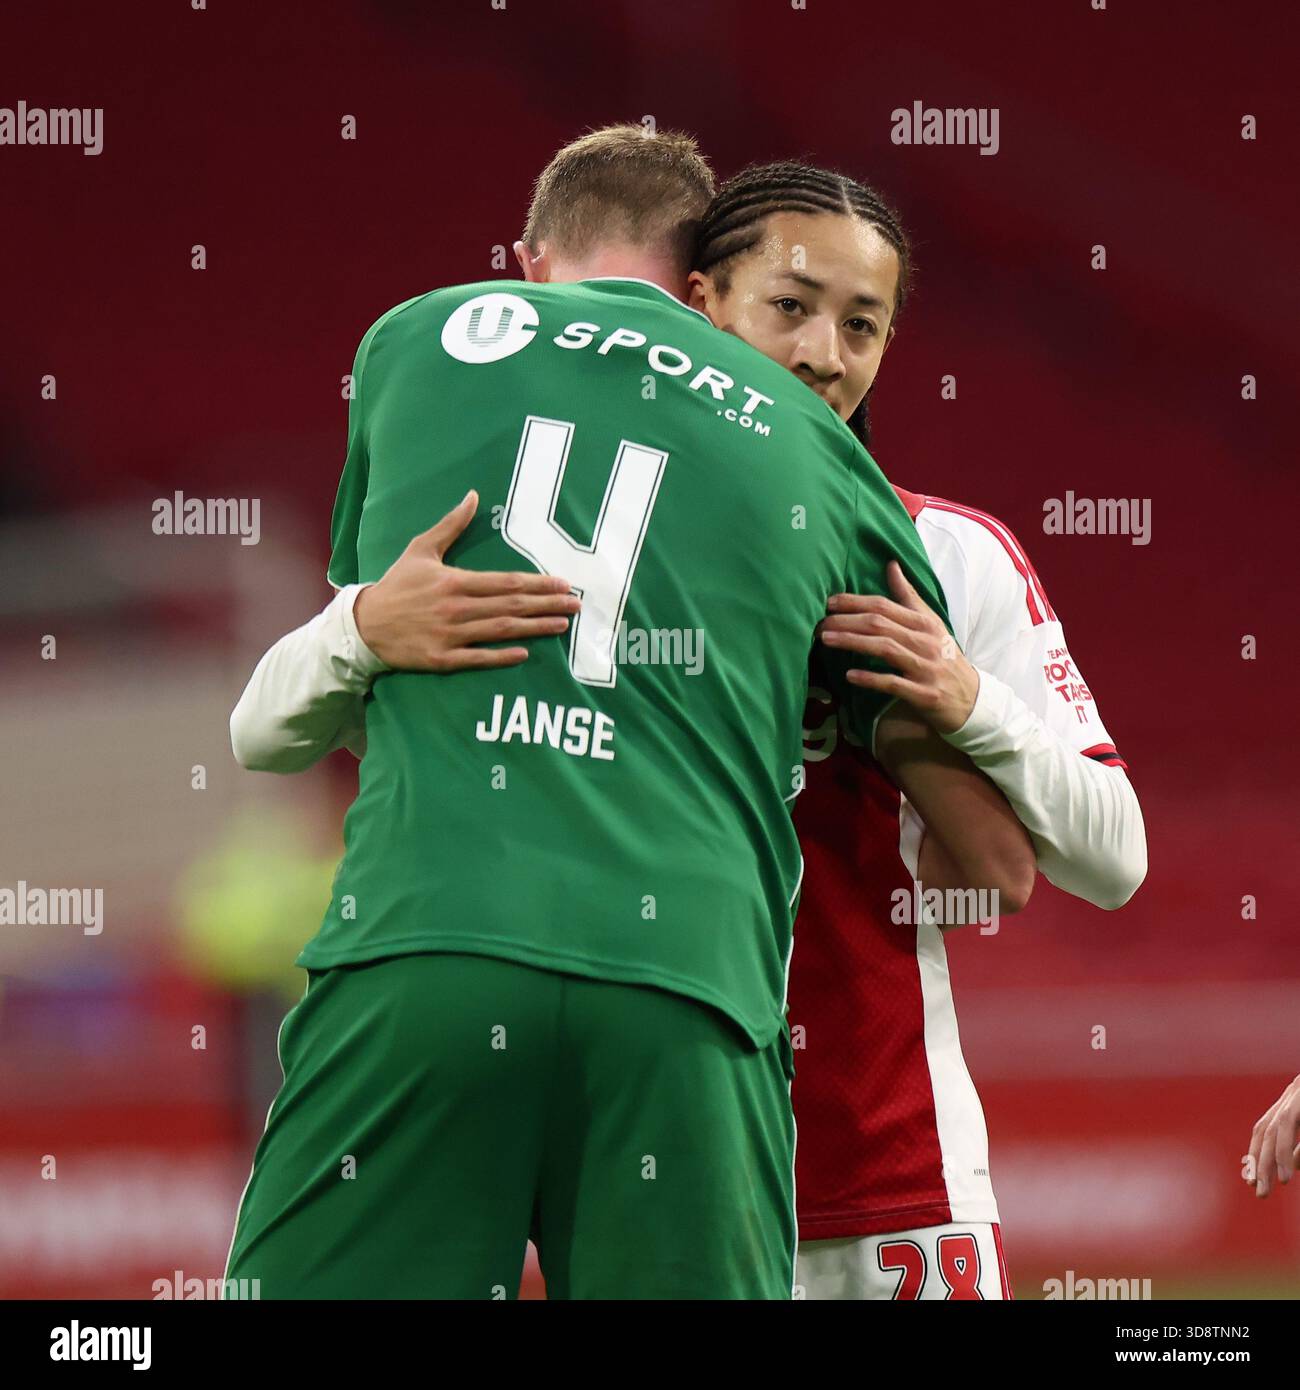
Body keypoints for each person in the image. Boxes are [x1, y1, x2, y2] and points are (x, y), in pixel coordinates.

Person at [223, 126, 1026, 1300]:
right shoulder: (814, 449)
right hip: (686, 989)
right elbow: (997, 857)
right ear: (703, 288)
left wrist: (371, 635)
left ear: (527, 260)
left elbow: (284, 726)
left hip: (427, 946)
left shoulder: (423, 338)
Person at [687, 161, 1148, 1299]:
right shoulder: (602, 553)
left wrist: (964, 696)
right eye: (789, 306)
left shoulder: (947, 556)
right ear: (703, 305)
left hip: (896, 1179)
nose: (823, 355)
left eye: (862, 324)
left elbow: (1113, 861)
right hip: (662, 1173)